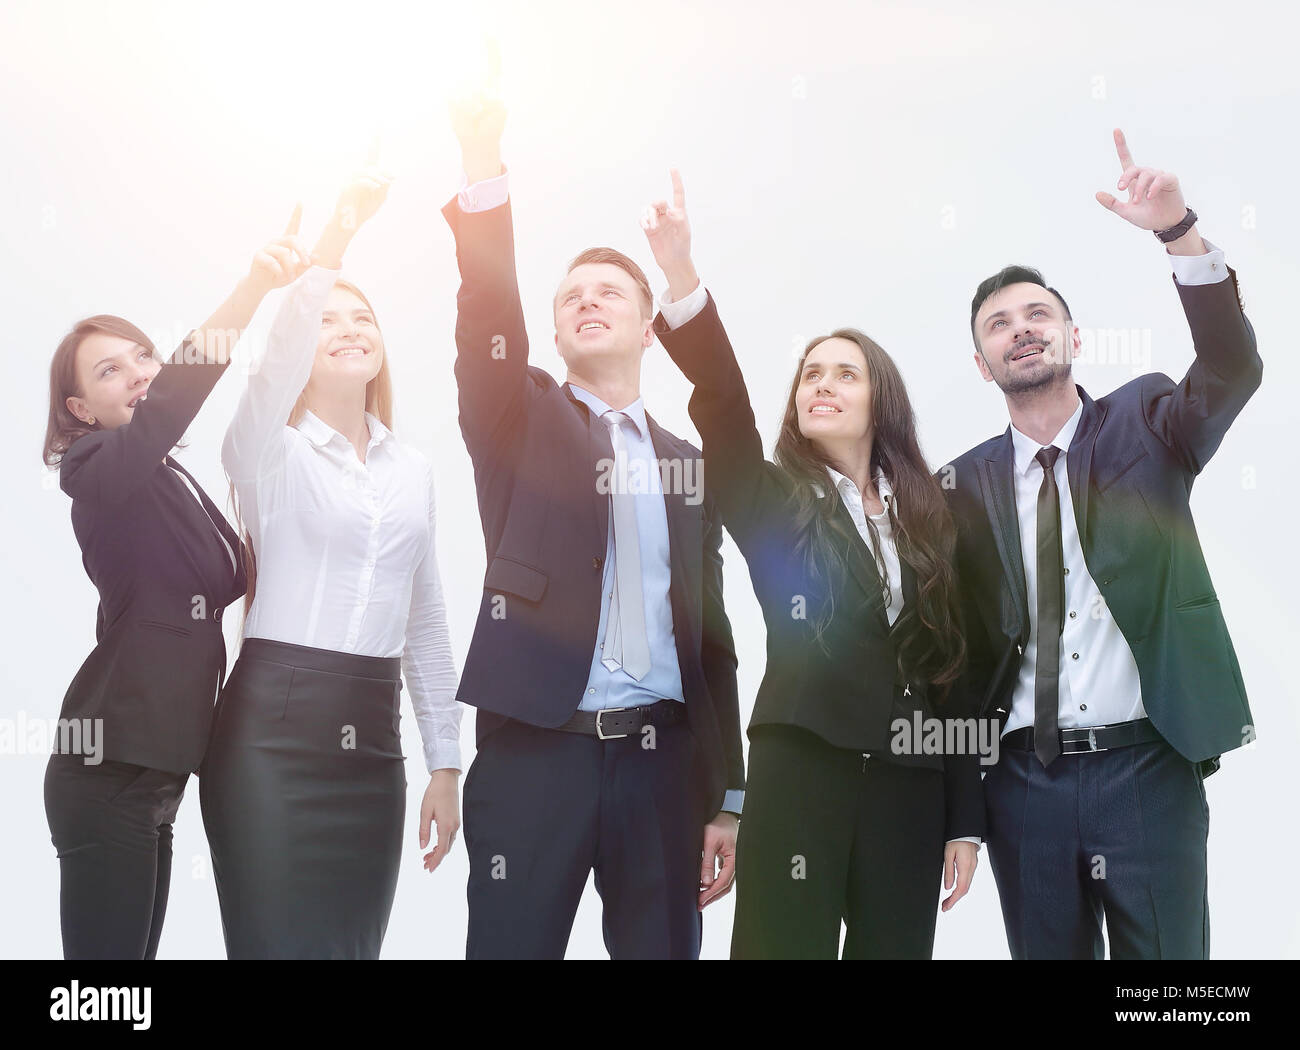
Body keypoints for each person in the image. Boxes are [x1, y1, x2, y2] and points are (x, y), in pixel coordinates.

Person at [644, 171, 983, 959]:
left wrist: (964, 819)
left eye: (845, 373)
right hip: (801, 772)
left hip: (909, 786)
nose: (822, 384)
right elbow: (723, 403)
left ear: (880, 400)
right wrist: (682, 276)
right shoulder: (771, 499)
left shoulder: (933, 517)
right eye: (810, 374)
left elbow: (955, 672)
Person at [943, 129, 1262, 959]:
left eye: (1038, 315)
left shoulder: (1147, 423)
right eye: (998, 324)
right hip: (1023, 784)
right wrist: (961, 811)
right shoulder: (957, 487)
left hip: (1148, 768)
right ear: (981, 363)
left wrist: (1177, 231)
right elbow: (947, 657)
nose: (1020, 330)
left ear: (1074, 338)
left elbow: (1231, 368)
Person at [445, 90, 745, 959]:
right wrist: (482, 170)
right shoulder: (518, 418)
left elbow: (712, 637)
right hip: (535, 755)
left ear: (649, 329)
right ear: (553, 332)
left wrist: (728, 795)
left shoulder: (687, 465)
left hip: (663, 765)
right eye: (571, 295)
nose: (587, 300)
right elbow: (486, 316)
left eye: (610, 291)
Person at [199, 169, 463, 959]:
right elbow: (271, 364)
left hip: (373, 746)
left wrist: (445, 761)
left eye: (363, 318)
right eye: (327, 321)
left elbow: (425, 619)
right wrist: (335, 240)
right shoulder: (266, 453)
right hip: (268, 740)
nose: (349, 329)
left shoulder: (413, 470)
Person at [41, 216, 308, 958]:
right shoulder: (96, 470)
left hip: (156, 773)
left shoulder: (164, 478)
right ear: (81, 412)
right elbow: (171, 403)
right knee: (103, 998)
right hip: (108, 768)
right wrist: (253, 288)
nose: (137, 374)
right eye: (109, 371)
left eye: (142, 356)